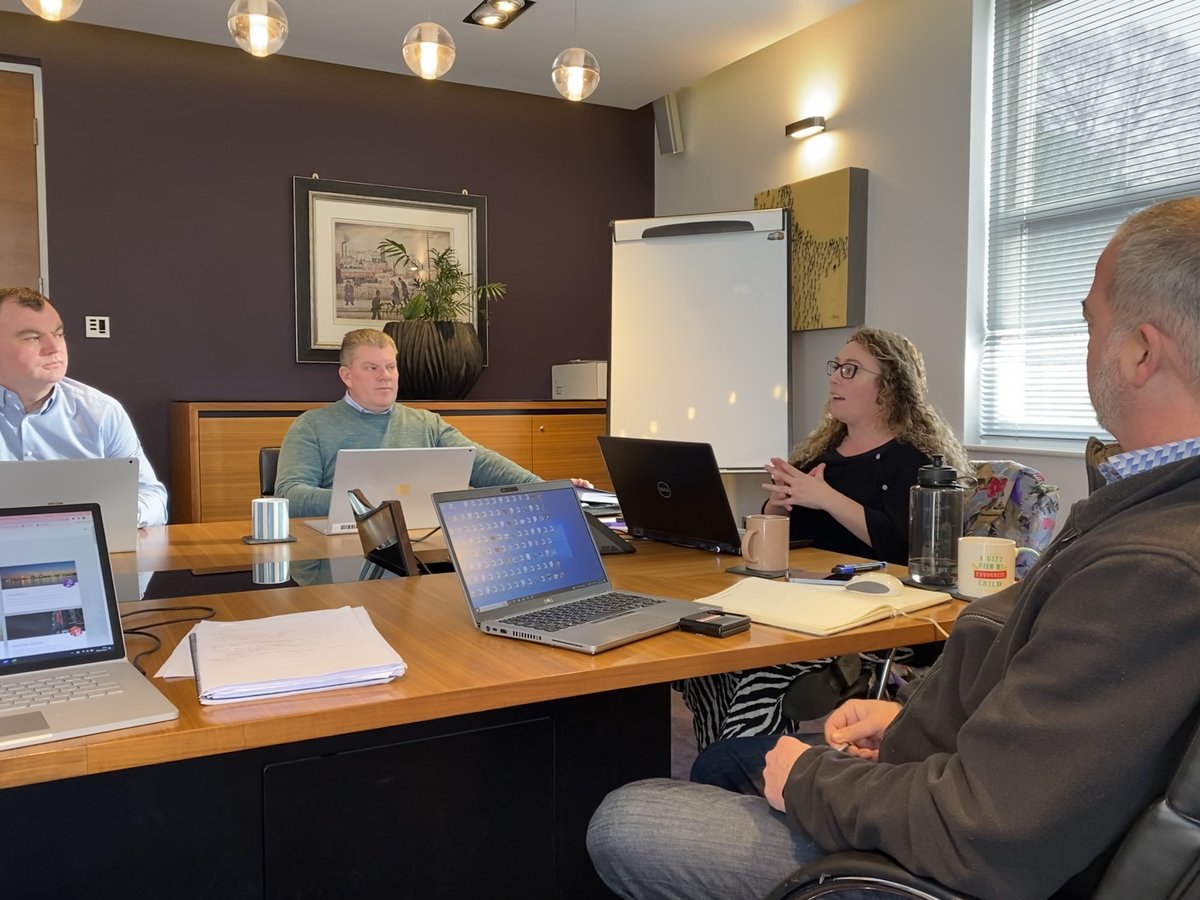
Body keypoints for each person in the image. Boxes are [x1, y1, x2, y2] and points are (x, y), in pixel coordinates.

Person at [587, 196, 1200, 900]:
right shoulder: (1143, 511)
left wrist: (811, 778)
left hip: (940, 857)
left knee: (626, 820)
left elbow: (988, 828)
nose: (1083, 343)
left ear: (1141, 351)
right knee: (721, 759)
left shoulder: (1152, 567)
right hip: (942, 762)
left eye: (1089, 322)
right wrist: (914, 723)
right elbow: (1051, 735)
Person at [679, 327, 968, 748]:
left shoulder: (914, 464)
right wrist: (778, 504)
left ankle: (758, 766)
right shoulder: (819, 456)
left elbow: (906, 550)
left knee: (758, 668)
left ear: (889, 386)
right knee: (712, 655)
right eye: (836, 367)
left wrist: (826, 498)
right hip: (799, 603)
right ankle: (726, 762)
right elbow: (783, 540)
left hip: (876, 618)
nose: (834, 377)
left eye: (851, 370)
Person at [275, 328, 590, 517]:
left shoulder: (426, 423)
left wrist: (546, 489)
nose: (385, 376)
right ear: (346, 375)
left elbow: (480, 463)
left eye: (391, 367)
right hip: (341, 548)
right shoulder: (312, 426)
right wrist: (368, 501)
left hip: (420, 545)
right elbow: (290, 495)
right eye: (372, 368)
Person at [0, 287, 168, 528]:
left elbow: (153, 498)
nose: (54, 348)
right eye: (33, 337)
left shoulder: (102, 412)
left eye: (58, 334)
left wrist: (113, 514)